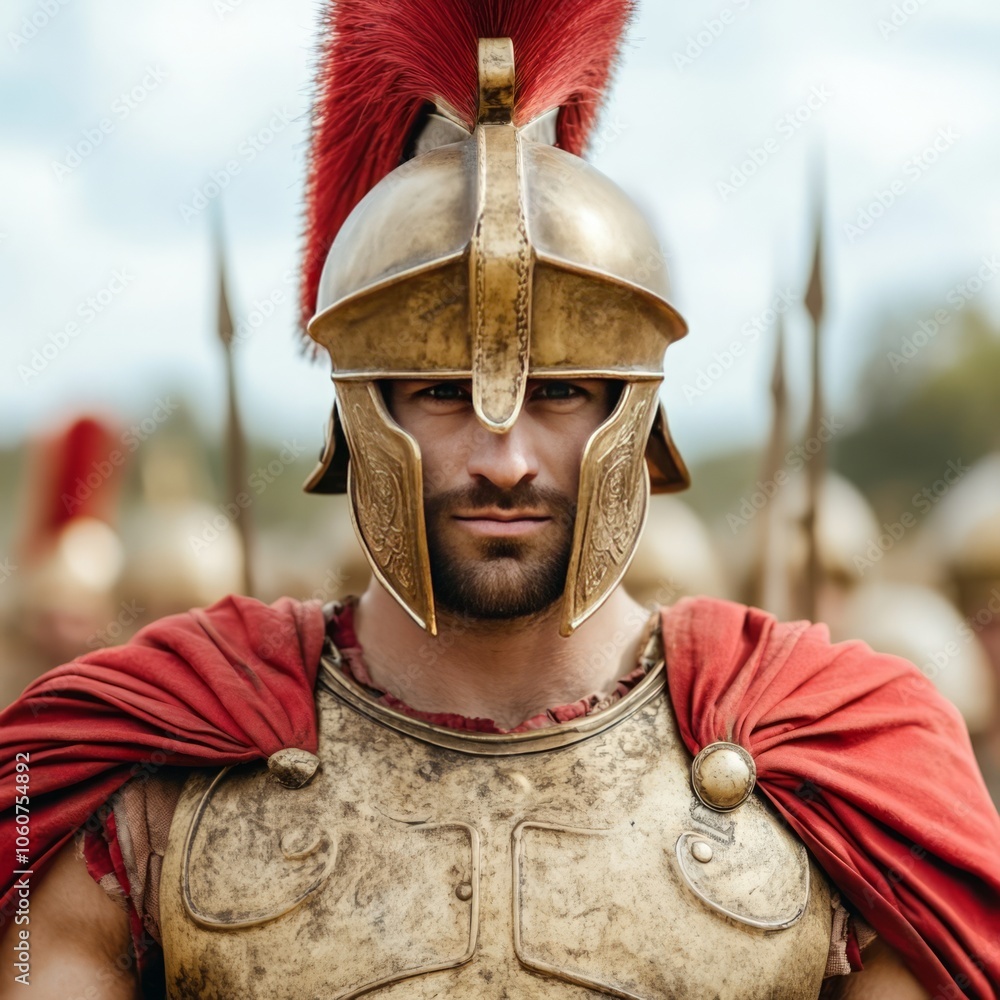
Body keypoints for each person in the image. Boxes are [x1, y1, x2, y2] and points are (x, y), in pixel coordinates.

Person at [2, 1, 999, 998]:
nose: (505, 457)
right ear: (357, 413)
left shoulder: (831, 765)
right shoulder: (147, 785)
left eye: (559, 390)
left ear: (635, 413)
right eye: (441, 393)